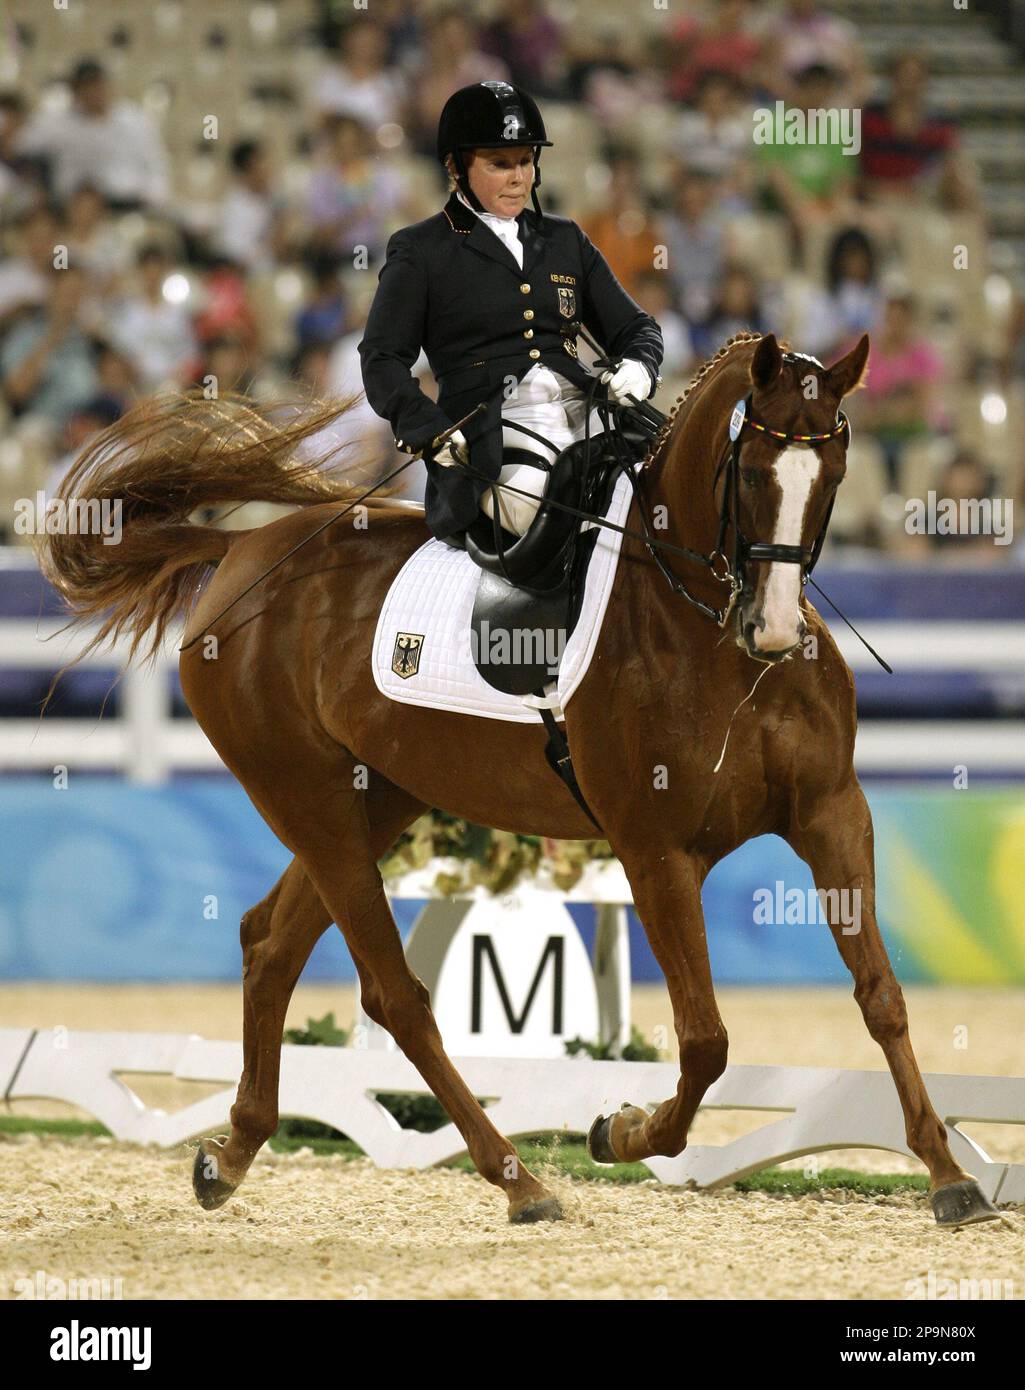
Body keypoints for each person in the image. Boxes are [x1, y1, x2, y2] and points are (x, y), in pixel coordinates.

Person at [358, 81, 663, 543]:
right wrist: (426, 427)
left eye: (525, 161)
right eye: (500, 164)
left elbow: (636, 326)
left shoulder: (565, 239)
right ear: (455, 166)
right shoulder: (421, 249)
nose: (519, 177)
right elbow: (381, 357)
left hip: (587, 412)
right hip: (490, 436)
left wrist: (640, 365)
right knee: (553, 519)